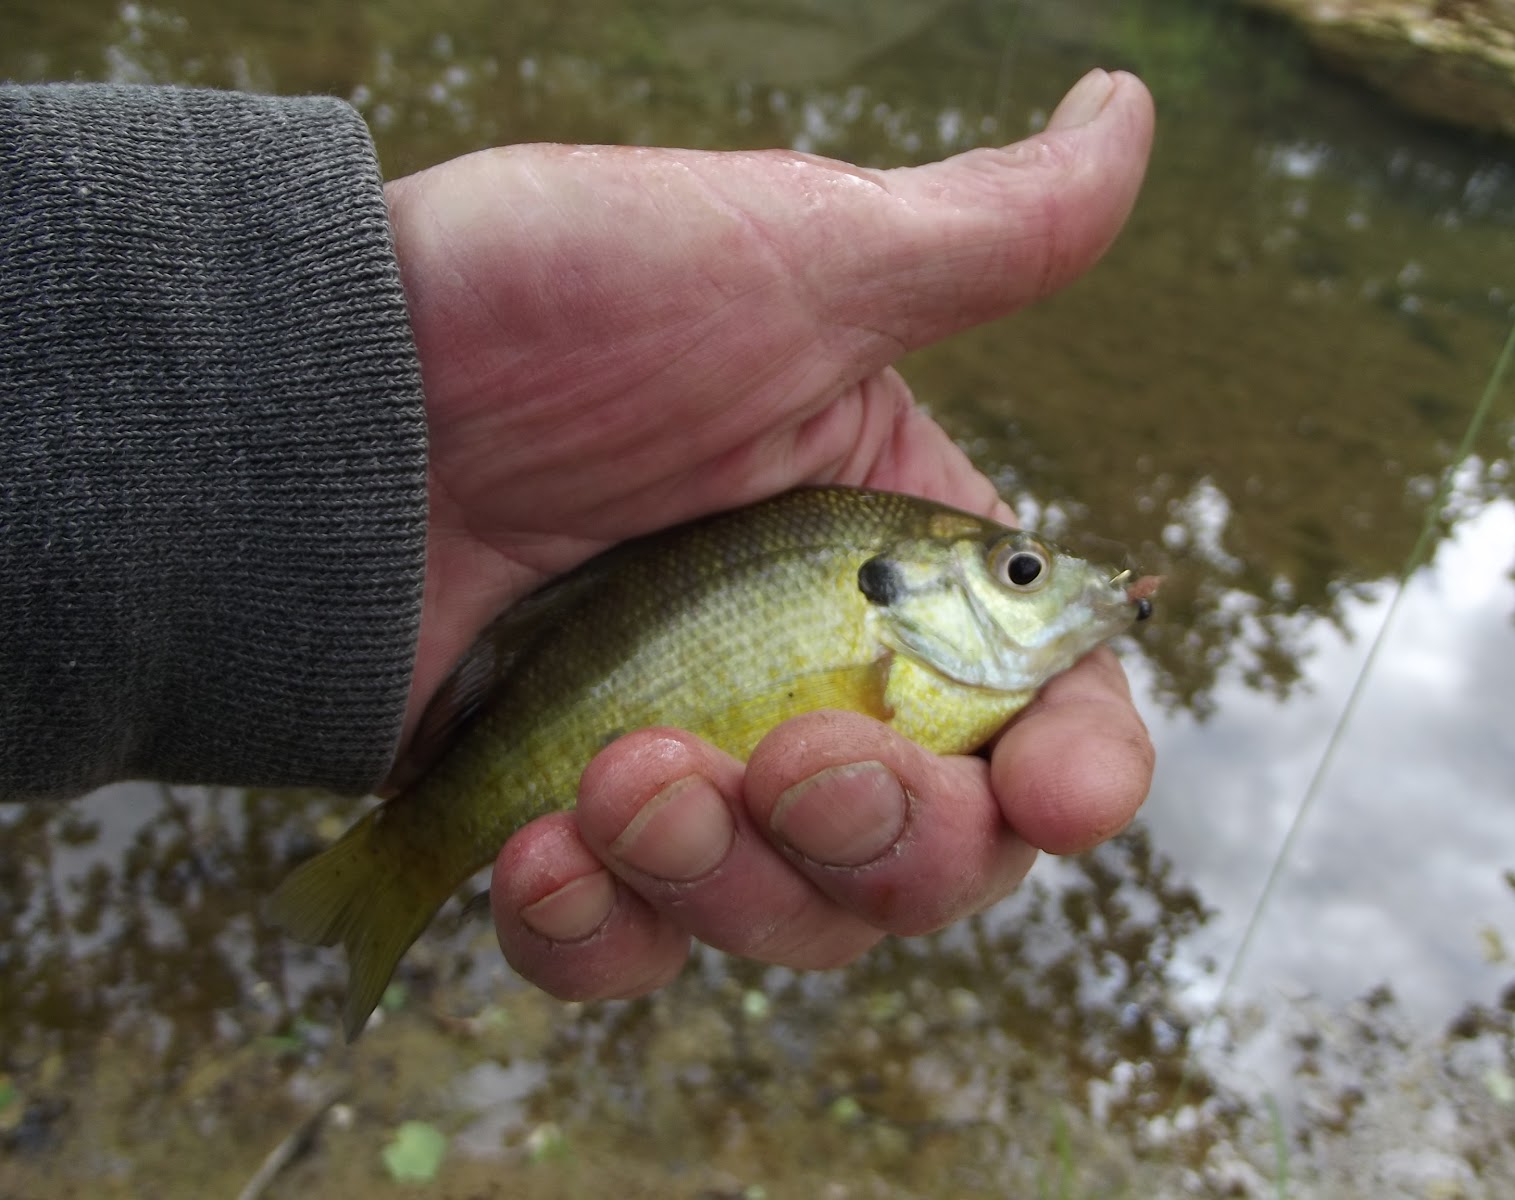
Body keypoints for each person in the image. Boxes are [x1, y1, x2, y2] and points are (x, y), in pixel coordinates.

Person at [0, 70, 1157, 1004]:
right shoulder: (909, 643)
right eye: (1018, 570)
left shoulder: (926, 641)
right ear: (908, 599)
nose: (1046, 580)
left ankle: (404, 861)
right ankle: (402, 861)